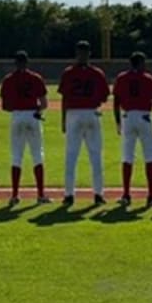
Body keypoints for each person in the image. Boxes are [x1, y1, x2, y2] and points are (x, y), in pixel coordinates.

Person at [58, 41, 109, 205]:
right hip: (92, 112)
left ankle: (69, 194)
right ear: (89, 54)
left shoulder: (69, 72)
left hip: (73, 113)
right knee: (95, 156)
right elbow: (104, 97)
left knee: (71, 156)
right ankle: (98, 194)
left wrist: (63, 120)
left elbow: (64, 98)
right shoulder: (97, 72)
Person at [0, 51, 49, 205]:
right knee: (37, 155)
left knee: (16, 156)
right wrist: (38, 111)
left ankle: (14, 195)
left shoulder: (8, 79)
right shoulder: (35, 78)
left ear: (15, 63)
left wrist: (17, 109)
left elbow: (5, 106)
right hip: (33, 116)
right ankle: (40, 195)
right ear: (27, 62)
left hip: (17, 116)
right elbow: (44, 103)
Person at [113, 51, 152, 206]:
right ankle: (151, 195)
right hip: (144, 117)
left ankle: (126, 194)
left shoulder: (121, 78)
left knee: (127, 156)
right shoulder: (148, 78)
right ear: (140, 63)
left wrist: (118, 122)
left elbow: (116, 101)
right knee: (149, 156)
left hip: (127, 117)